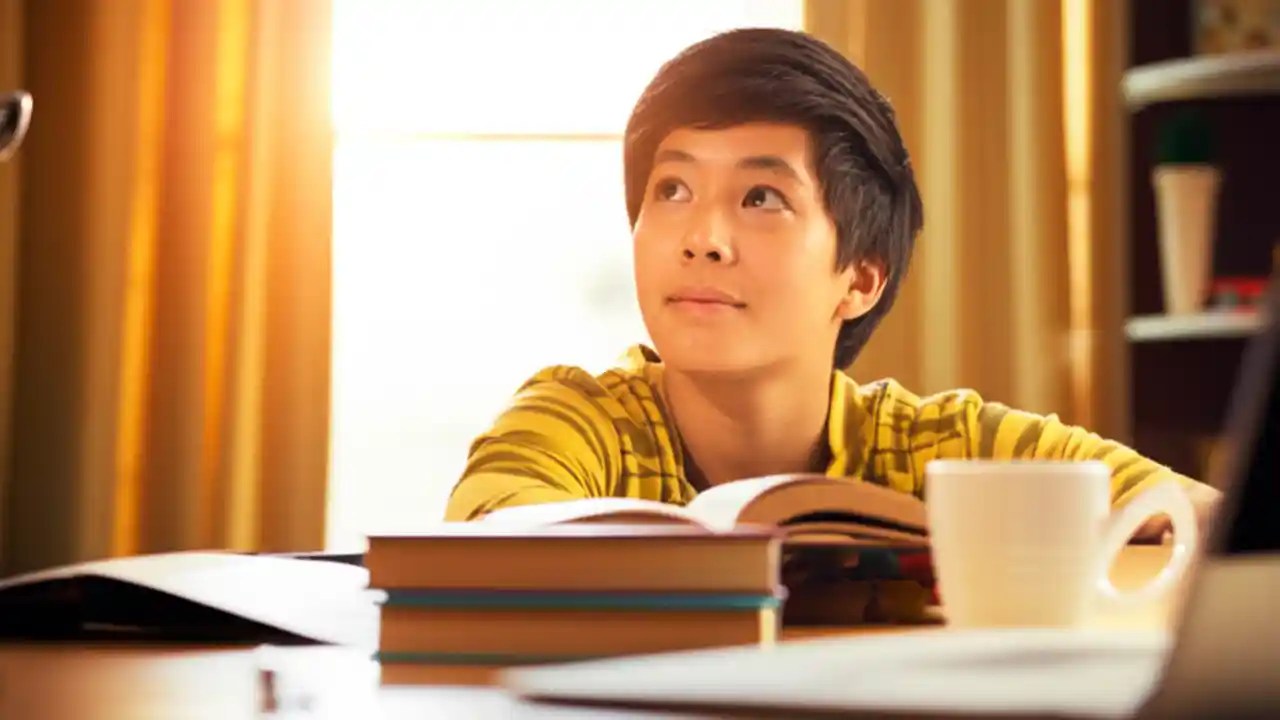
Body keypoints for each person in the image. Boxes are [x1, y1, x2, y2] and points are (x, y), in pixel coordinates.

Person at [443, 27, 1219, 541]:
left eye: (761, 199)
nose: (701, 240)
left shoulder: (942, 447)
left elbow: (1197, 514)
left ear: (860, 278)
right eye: (671, 191)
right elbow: (485, 544)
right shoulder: (576, 420)